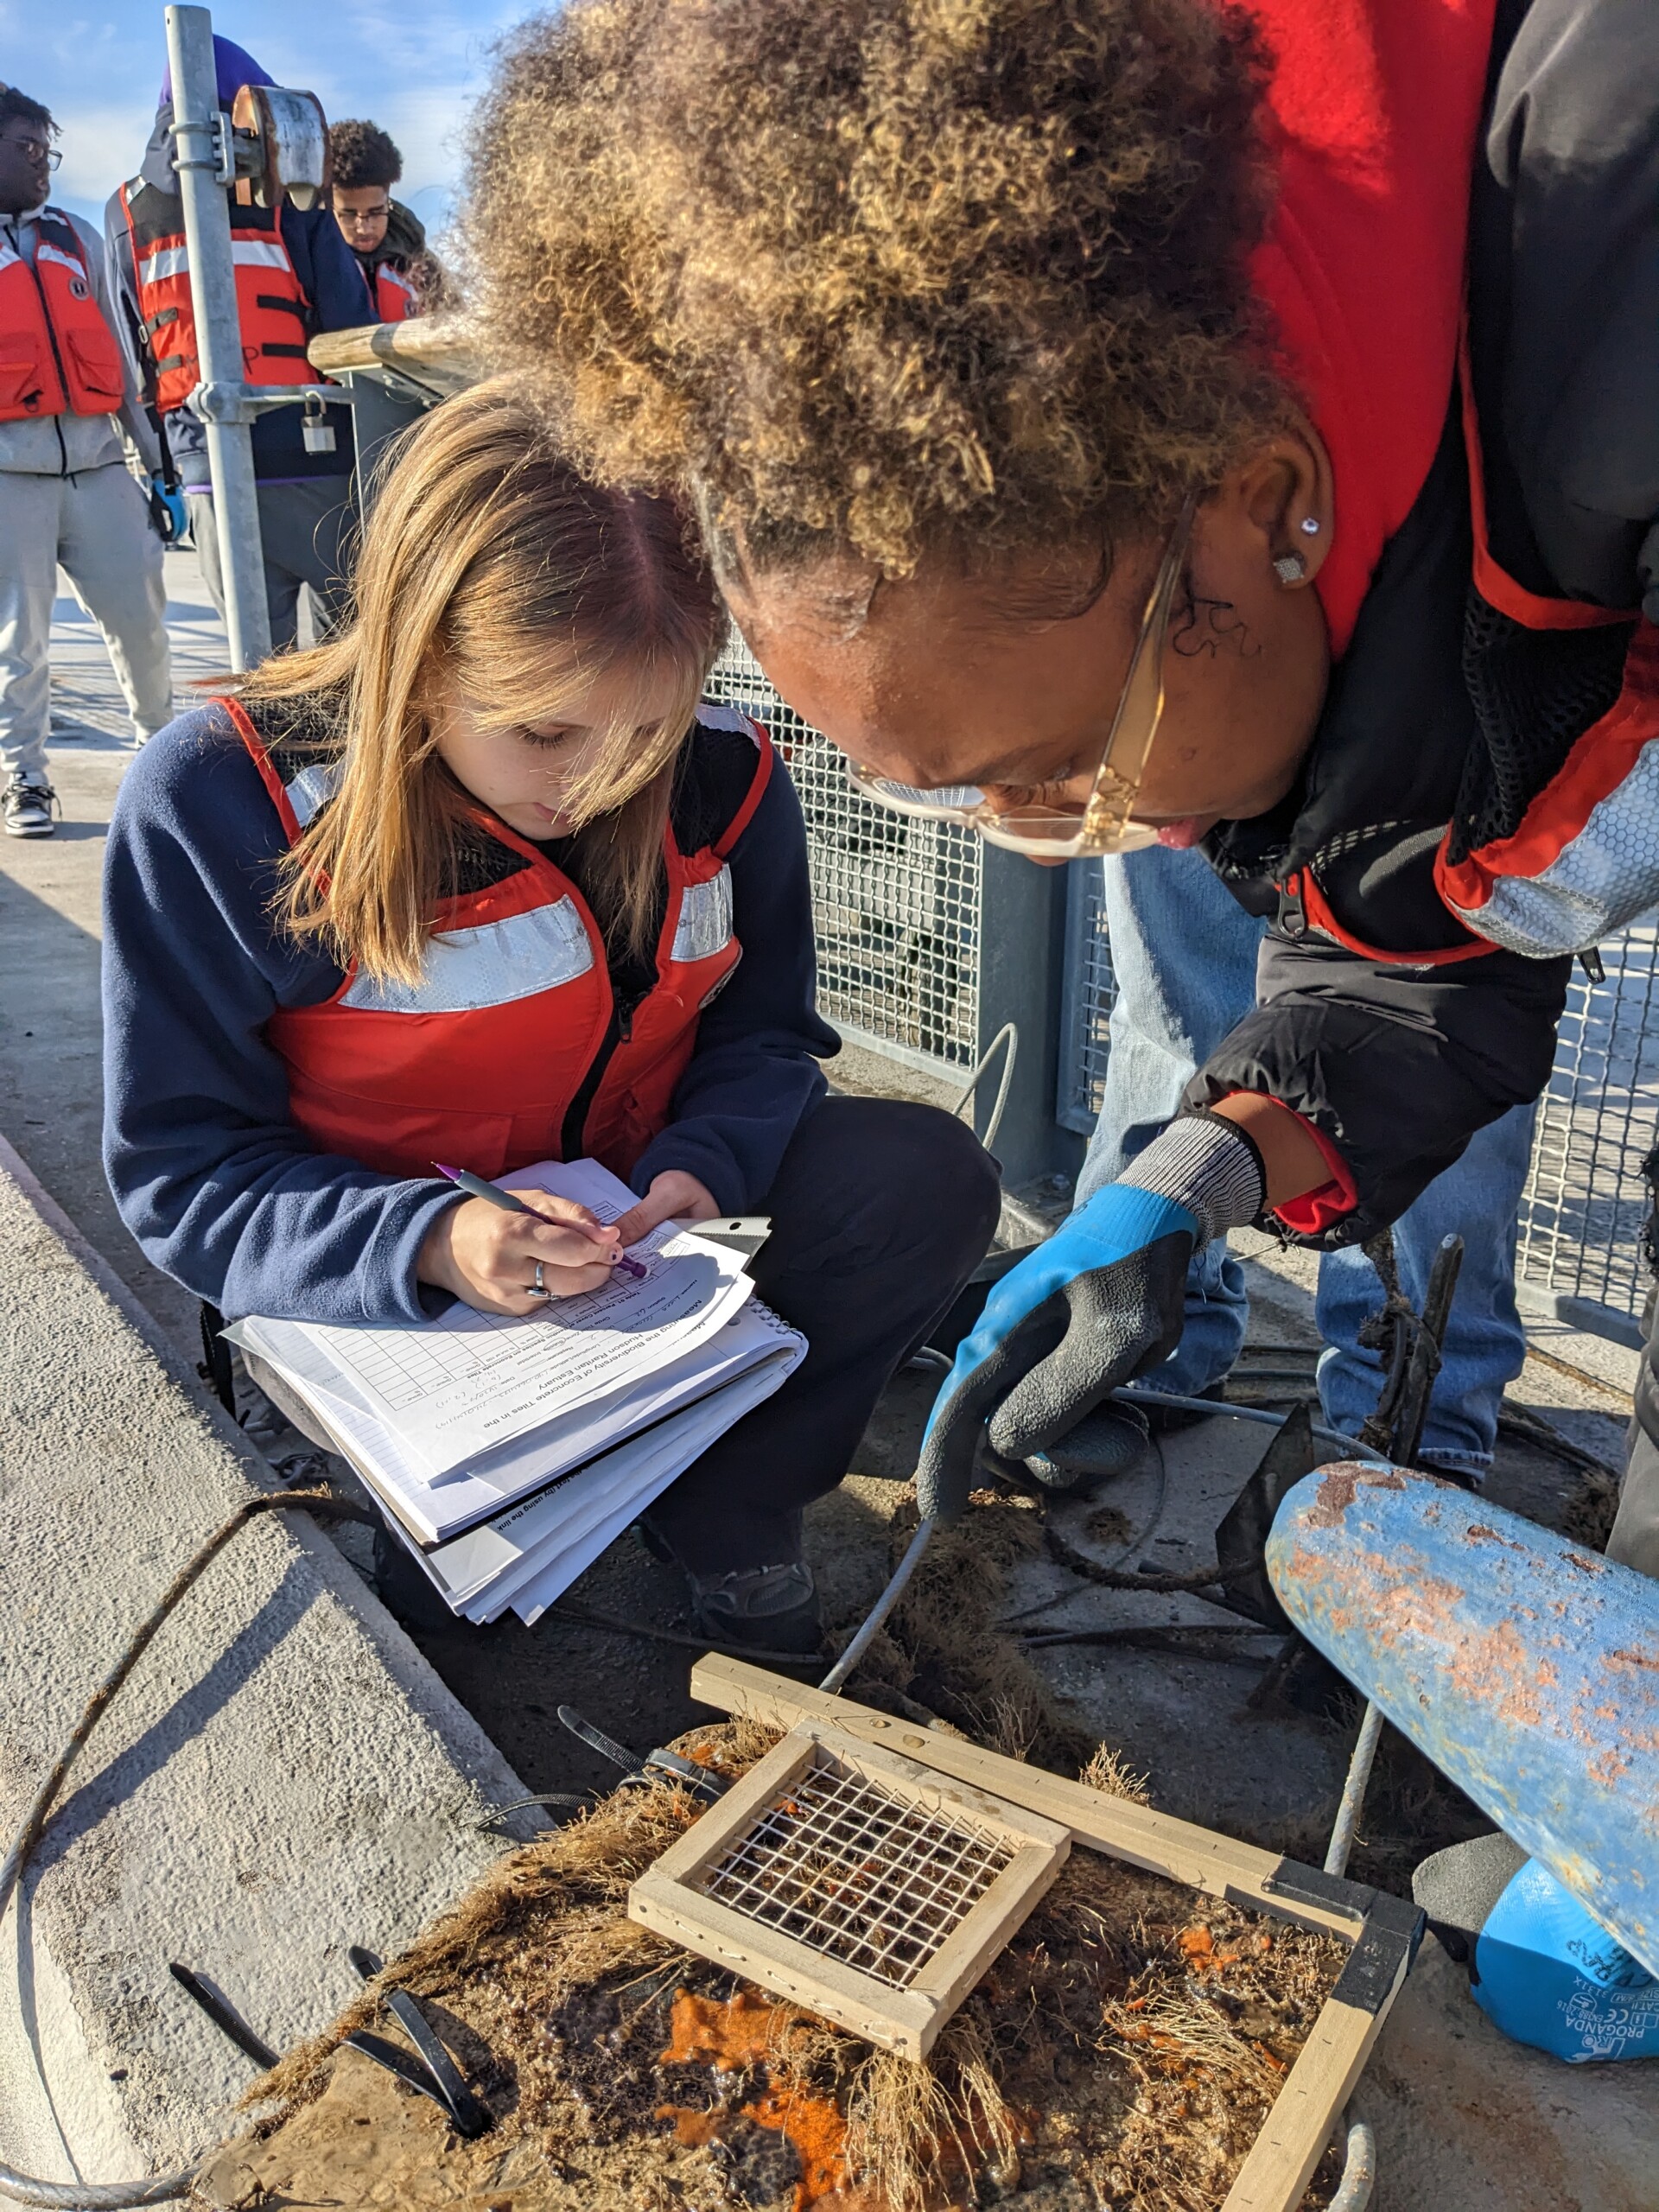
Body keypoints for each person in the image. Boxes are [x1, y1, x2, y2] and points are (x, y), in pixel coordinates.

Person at [464, 0, 1659, 1566]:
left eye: (1062, 772)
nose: (1046, 845)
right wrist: (1202, 1171)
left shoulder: (1618, 202)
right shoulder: (1316, 469)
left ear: (1270, 504)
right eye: (969, 796)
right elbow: (1414, 949)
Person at [101, 381, 1001, 1654]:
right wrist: (430, 1240)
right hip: (380, 1272)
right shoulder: (222, 802)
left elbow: (765, 1038)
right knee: (452, 1627)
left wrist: (708, 1165)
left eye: (649, 728)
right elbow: (183, 1175)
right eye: (543, 731)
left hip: (623, 1237)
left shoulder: (729, 776)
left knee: (924, 1177)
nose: (598, 782)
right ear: (422, 662)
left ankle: (728, 1505)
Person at [1085, 843, 1538, 1481]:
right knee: (1175, 996)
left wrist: (1181, 1181)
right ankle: (1140, 1325)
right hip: (1179, 754)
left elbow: (1437, 1019)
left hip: (1434, 775)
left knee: (1435, 1017)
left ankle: (1417, 1412)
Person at [105, 35, 370, 652]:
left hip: (204, 463)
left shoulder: (123, 212)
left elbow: (136, 354)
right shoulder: (290, 200)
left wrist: (163, 470)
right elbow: (346, 317)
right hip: (314, 452)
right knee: (350, 655)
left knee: (256, 666)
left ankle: (266, 753)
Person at [0, 84, 174, 838]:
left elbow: (127, 362)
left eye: (48, 150)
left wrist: (156, 464)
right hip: (11, 477)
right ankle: (25, 779)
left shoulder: (79, 240)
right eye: (27, 149)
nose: (45, 165)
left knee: (141, 621)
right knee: (17, 641)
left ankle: (160, 758)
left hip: (101, 465)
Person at [328, 119, 443, 321]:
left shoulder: (422, 265)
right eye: (349, 214)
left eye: (375, 212)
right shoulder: (312, 262)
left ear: (388, 197)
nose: (364, 228)